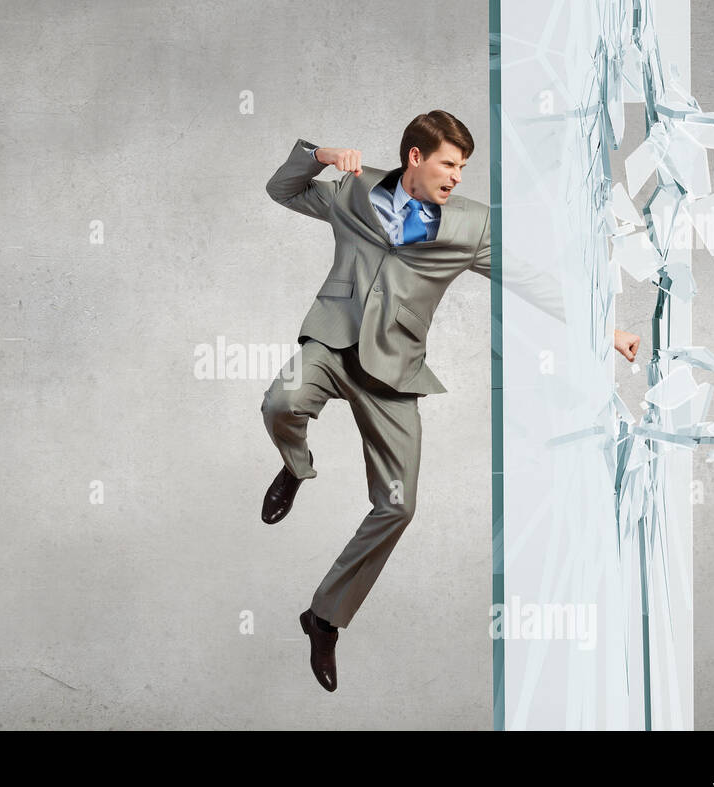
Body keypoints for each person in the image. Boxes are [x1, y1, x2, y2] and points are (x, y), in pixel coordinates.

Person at [260, 110, 640, 692]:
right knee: (280, 403)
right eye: (449, 163)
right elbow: (282, 189)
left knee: (398, 508)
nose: (458, 176)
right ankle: (294, 467)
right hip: (332, 344)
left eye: (462, 166)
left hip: (392, 373)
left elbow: (531, 281)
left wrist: (605, 331)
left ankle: (325, 617)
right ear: (415, 157)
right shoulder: (353, 190)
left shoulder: (472, 226)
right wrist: (321, 154)